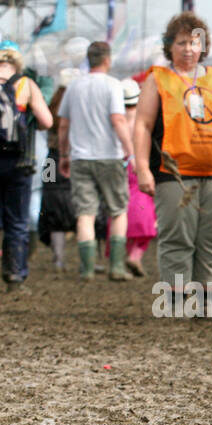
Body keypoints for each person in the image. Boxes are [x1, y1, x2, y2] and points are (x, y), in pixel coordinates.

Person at [134, 12, 212, 302]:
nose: (188, 49)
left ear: (203, 46)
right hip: (175, 174)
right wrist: (142, 168)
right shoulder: (158, 79)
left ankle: (209, 302)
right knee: (177, 239)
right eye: (181, 43)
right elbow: (142, 125)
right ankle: (178, 304)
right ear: (169, 46)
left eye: (194, 43)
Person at [57, 41, 133, 282]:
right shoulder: (112, 85)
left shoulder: (74, 86)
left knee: (85, 213)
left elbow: (63, 125)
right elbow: (118, 120)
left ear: (89, 59)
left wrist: (63, 154)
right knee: (118, 210)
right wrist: (128, 148)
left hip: (80, 158)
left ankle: (87, 269)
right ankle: (117, 267)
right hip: (109, 156)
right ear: (107, 60)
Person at [0, 41, 53, 291]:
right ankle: (15, 275)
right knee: (17, 220)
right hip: (20, 161)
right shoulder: (26, 84)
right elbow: (46, 121)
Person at [38, 81, 76, 272]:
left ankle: (58, 258)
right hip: (72, 160)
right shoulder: (76, 107)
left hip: (51, 159)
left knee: (51, 205)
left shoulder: (52, 107)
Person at [121, 79, 157, 277]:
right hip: (140, 168)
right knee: (144, 213)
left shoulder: (116, 118)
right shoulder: (142, 118)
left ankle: (127, 255)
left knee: (121, 212)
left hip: (120, 168)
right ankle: (135, 255)